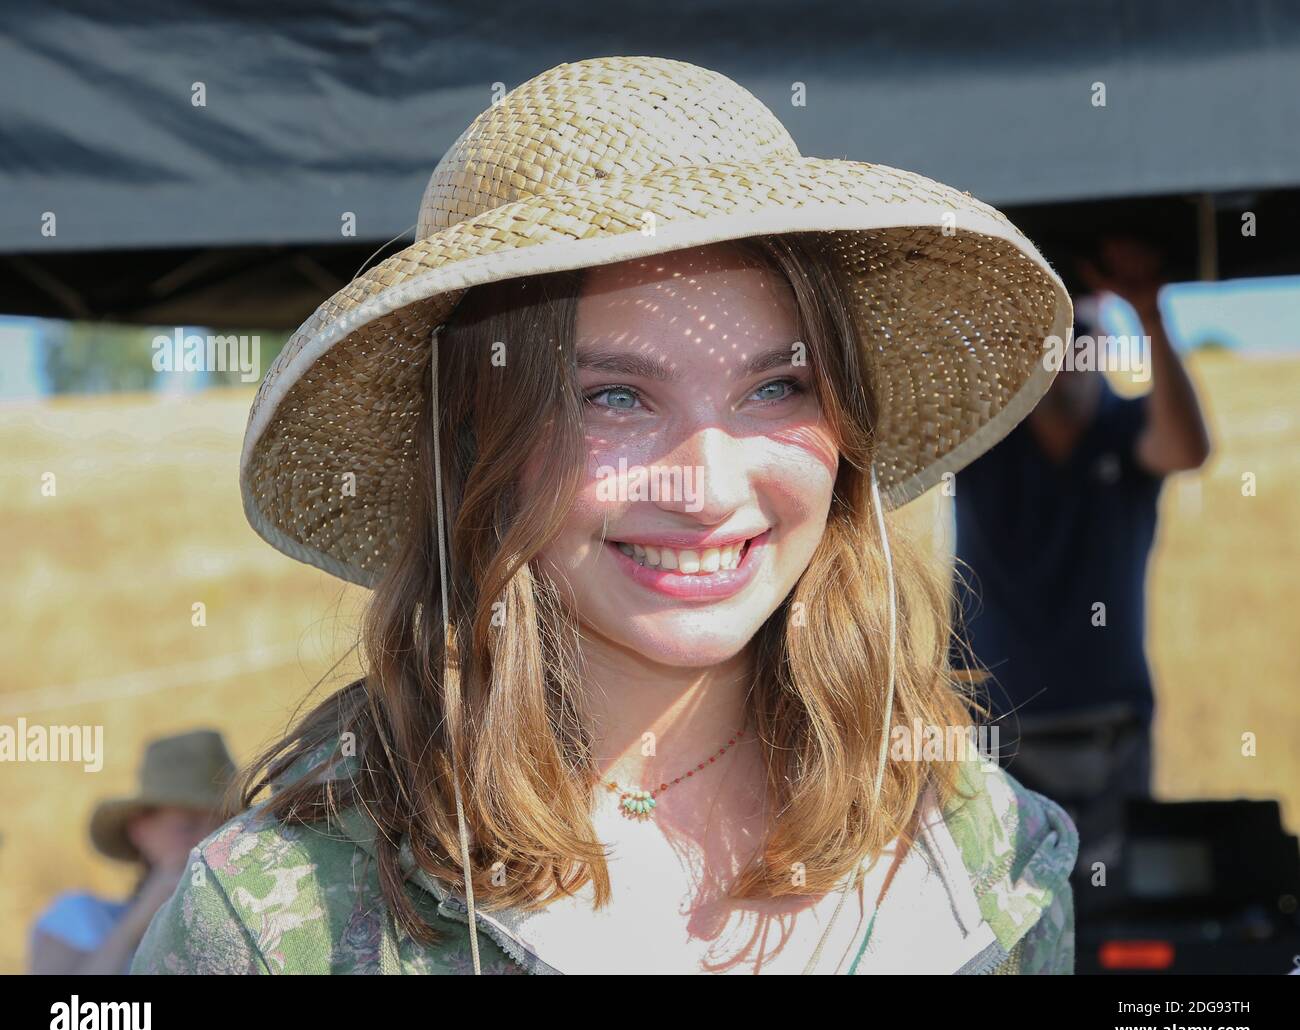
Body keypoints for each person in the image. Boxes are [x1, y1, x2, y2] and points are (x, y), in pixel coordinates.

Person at [132, 55, 1079, 976]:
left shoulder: (990, 863)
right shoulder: (283, 917)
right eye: (615, 397)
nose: (706, 486)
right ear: (475, 446)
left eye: (777, 386)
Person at [951, 235, 1211, 880]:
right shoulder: (983, 436)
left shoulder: (1125, 433)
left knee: (1116, 907)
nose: (1066, 351)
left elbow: (1188, 451)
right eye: (1046, 338)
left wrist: (1149, 313)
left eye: (1084, 332)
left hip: (1109, 718)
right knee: (994, 922)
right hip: (990, 726)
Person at [27, 729, 233, 974]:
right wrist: (140, 919)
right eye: (187, 827)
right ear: (140, 829)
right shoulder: (79, 918)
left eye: (227, 826)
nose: (209, 841)